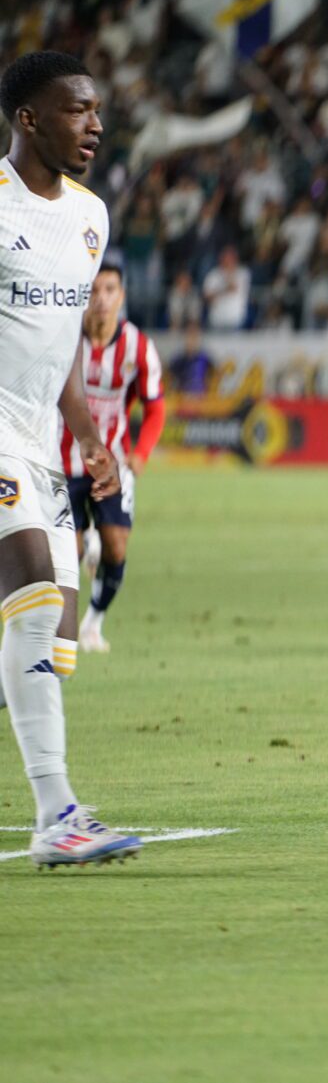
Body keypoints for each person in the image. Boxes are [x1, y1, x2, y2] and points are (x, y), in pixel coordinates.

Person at [0, 51, 142, 866]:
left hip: (41, 444)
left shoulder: (91, 219)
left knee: (53, 639)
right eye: (76, 110)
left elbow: (62, 350)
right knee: (26, 592)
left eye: (96, 109)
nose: (94, 124)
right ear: (28, 119)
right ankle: (58, 813)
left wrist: (89, 437)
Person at [58, 253, 166, 654]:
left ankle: (93, 623)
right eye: (93, 290)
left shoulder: (138, 347)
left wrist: (139, 457)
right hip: (62, 463)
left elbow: (155, 408)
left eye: (109, 290)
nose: (101, 298)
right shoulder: (63, 337)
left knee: (117, 545)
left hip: (112, 468)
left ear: (121, 296)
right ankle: (59, 634)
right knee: (66, 556)